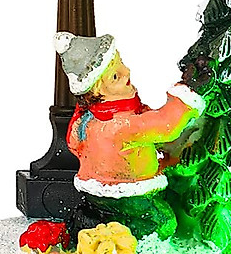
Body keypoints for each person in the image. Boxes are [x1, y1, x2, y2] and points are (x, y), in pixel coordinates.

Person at [56, 32, 205, 240]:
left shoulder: (88, 119)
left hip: (99, 192)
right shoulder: (119, 125)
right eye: (115, 77)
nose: (126, 72)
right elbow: (166, 125)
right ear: (97, 93)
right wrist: (188, 92)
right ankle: (144, 246)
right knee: (163, 221)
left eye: (121, 63)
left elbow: (75, 145)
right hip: (128, 195)